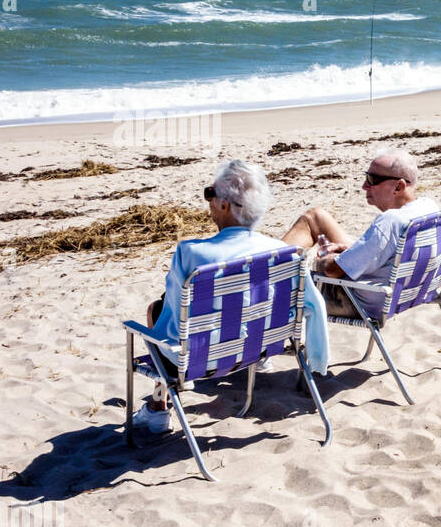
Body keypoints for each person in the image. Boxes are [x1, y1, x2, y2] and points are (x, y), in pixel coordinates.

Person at [133, 160, 329, 433]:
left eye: (209, 193)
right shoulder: (284, 253)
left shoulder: (191, 253)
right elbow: (314, 305)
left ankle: (157, 409)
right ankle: (260, 364)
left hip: (203, 358)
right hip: (261, 346)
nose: (208, 202)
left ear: (225, 205)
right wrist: (318, 358)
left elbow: (173, 318)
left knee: (157, 310)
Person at [282, 150, 441, 319]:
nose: (365, 186)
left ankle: (265, 272)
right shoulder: (428, 208)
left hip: (358, 301)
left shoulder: (390, 221)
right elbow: (393, 254)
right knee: (316, 218)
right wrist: (350, 251)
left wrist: (323, 260)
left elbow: (332, 271)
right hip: (408, 294)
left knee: (281, 286)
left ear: (398, 186)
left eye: (372, 180)